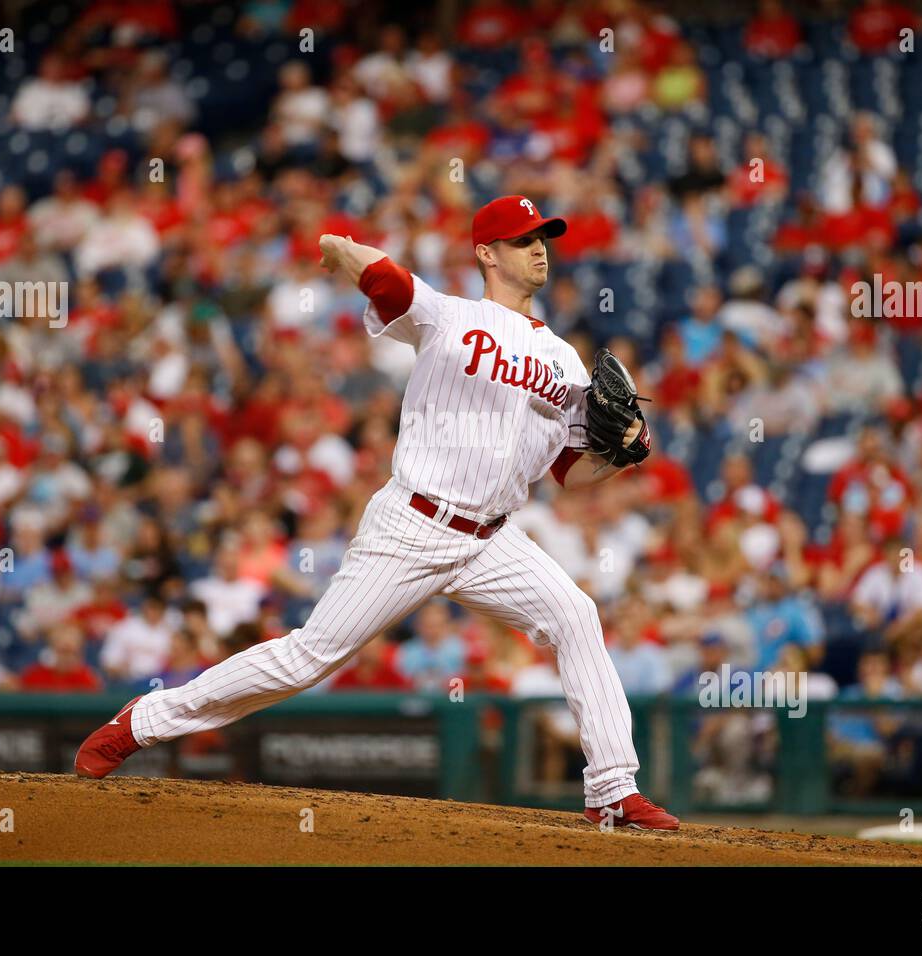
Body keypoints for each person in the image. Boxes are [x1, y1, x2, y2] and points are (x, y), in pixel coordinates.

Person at [76, 195, 678, 829]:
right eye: (524, 238)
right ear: (486, 252)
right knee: (308, 658)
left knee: (577, 615)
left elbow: (568, 473)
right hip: (413, 524)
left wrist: (624, 456)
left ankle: (612, 789)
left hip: (492, 539)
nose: (538, 249)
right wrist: (339, 246)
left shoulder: (564, 360)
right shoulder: (451, 316)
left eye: (543, 238)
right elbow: (388, 279)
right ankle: (141, 722)